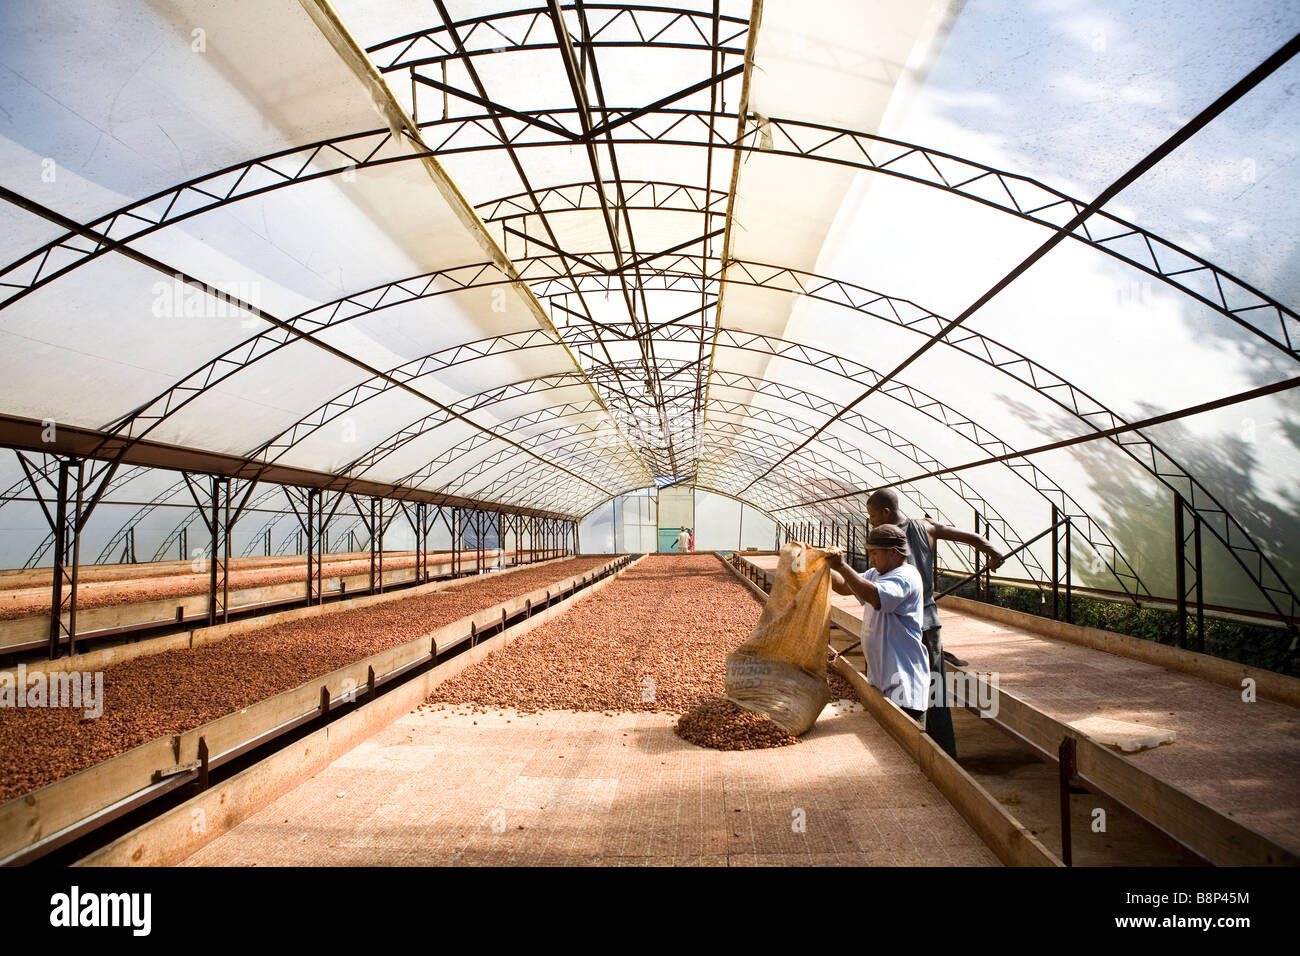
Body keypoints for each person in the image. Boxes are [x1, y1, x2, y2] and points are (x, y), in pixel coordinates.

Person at [863, 488, 1005, 759]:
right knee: (923, 683)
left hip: (914, 620)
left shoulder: (909, 533)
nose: (871, 522)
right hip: (917, 618)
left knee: (921, 685)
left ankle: (933, 753)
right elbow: (972, 537)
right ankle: (924, 748)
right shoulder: (921, 528)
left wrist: (992, 551)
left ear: (886, 512)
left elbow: (971, 536)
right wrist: (990, 550)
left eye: (872, 516)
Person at [824, 526, 928, 724]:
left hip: (903, 687)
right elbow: (845, 586)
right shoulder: (876, 573)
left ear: (893, 552)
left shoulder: (905, 576)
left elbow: (874, 595)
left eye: (874, 553)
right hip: (883, 681)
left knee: (905, 745)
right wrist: (821, 563)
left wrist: (842, 566)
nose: (871, 558)